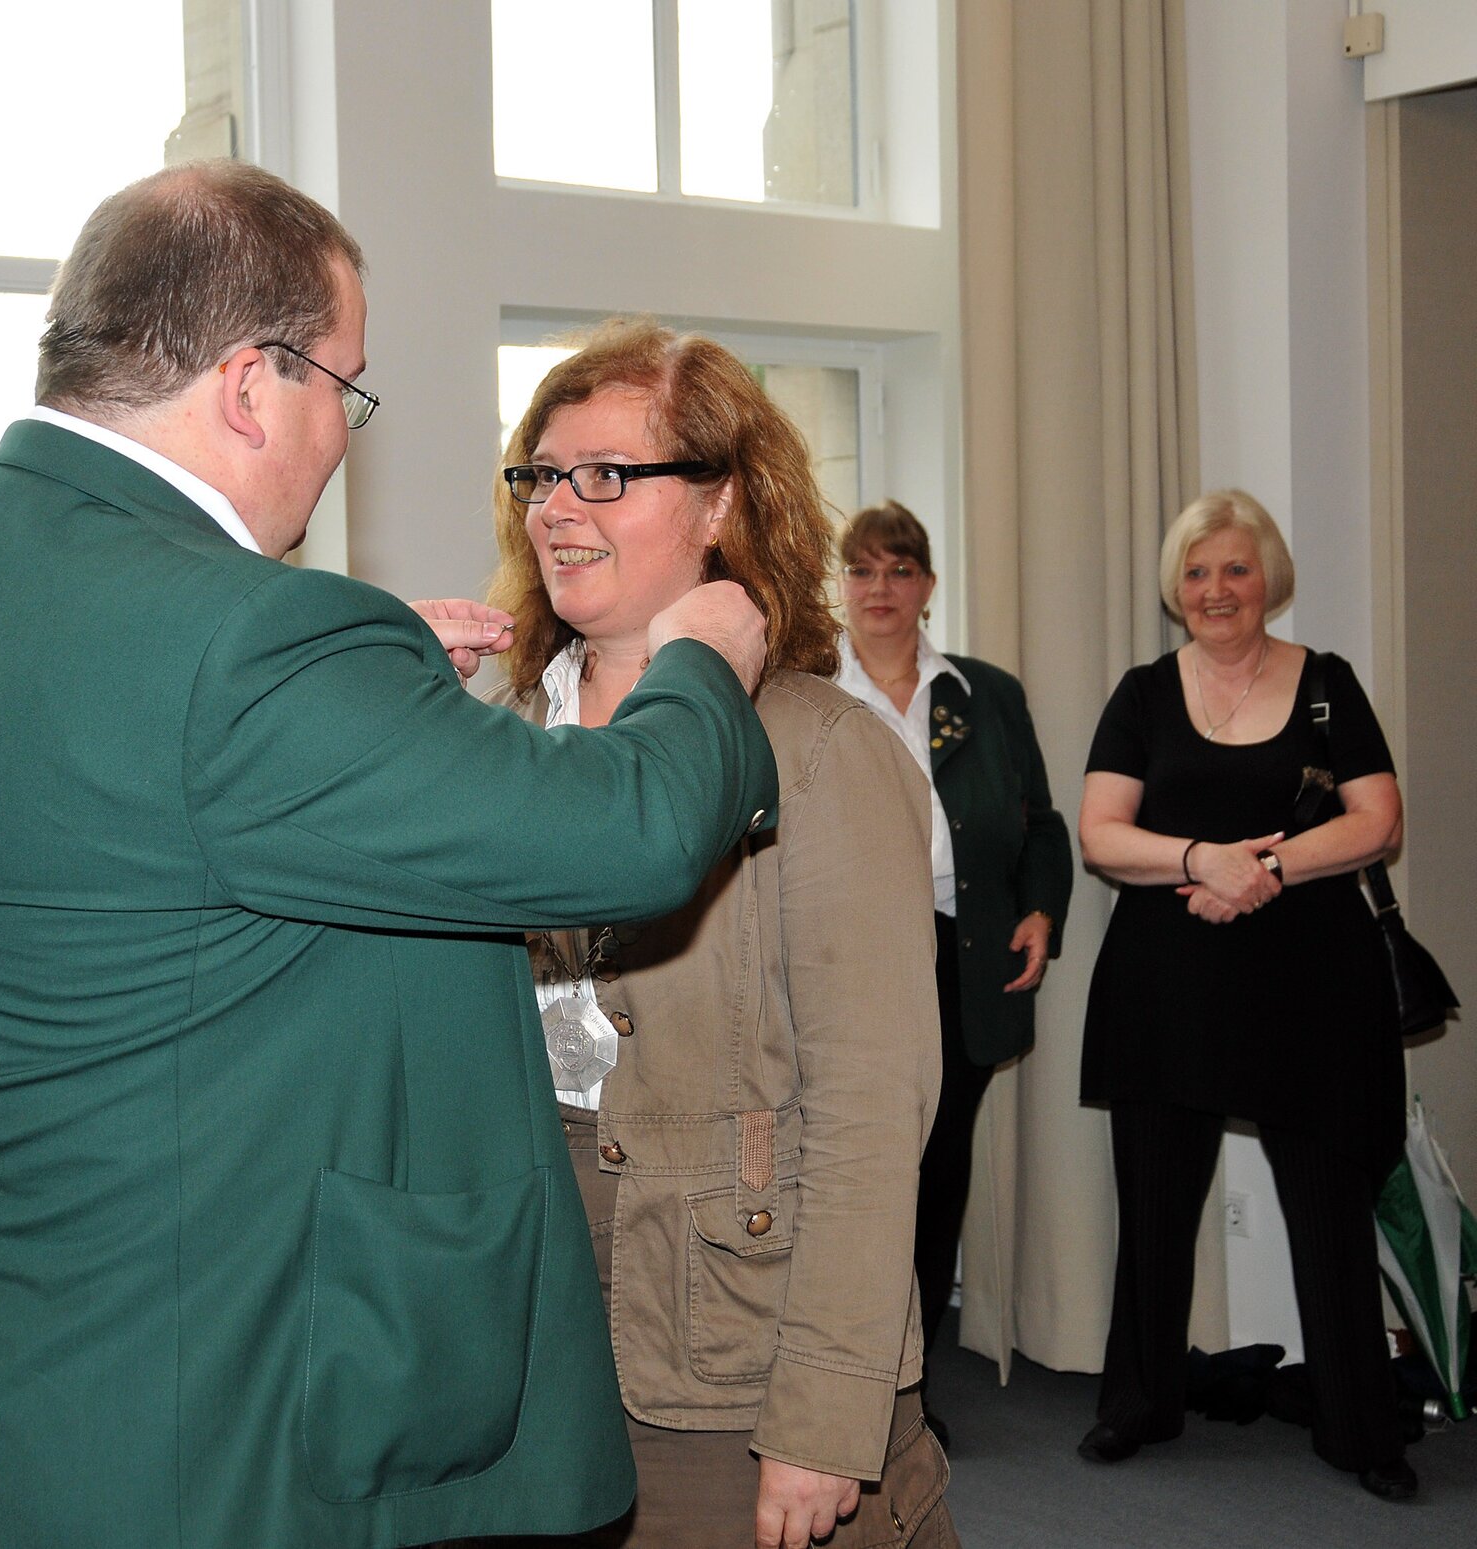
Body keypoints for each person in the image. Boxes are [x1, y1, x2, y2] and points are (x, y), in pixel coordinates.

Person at [0, 162, 782, 1549]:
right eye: (346, 387)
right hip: (178, 1420)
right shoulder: (248, 644)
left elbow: (138, 802)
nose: (342, 434)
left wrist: (367, 698)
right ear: (254, 382)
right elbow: (625, 837)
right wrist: (698, 665)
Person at [477, 320, 955, 1548]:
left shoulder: (821, 753)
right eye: (539, 474)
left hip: (728, 1341)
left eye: (605, 474)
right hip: (521, 1313)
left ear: (718, 503)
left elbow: (868, 1110)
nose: (555, 508)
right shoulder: (489, 738)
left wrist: (824, 1413)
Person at [1076, 488, 1415, 1500]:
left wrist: (1258, 870)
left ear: (1266, 576)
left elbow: (1376, 820)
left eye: (1233, 568)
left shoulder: (1326, 684)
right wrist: (1196, 857)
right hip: (1163, 984)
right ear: (1172, 589)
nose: (1213, 589)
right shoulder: (1141, 693)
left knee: (1327, 1209)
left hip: (1310, 985)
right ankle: (1136, 1405)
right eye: (1193, 571)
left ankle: (1361, 1431)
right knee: (1152, 1211)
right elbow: (1100, 831)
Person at [831, 499, 1072, 1444]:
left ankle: (910, 1390)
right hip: (846, 959)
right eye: (862, 571)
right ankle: (842, 1379)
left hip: (959, 952)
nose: (880, 589)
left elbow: (1042, 823)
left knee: (935, 1174)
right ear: (839, 585)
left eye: (899, 570)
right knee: (857, 1172)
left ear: (927, 586)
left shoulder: (985, 693)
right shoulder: (811, 685)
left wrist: (1041, 909)